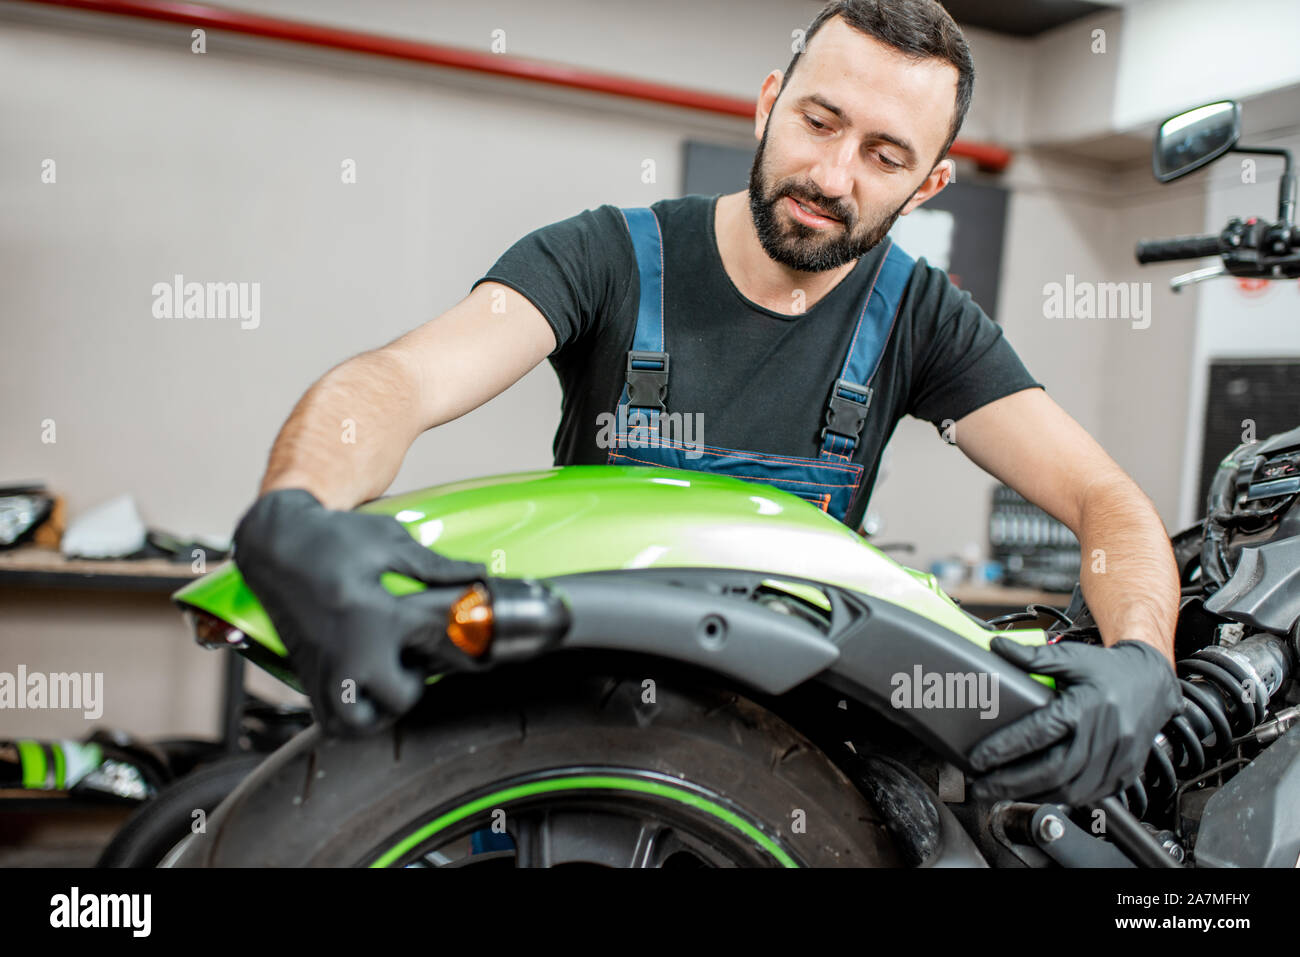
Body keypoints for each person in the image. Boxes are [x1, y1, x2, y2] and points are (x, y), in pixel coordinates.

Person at [232, 0, 1182, 808]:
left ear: (930, 184)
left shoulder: (921, 318)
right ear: (769, 103)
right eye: (819, 121)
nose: (834, 175)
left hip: (784, 768)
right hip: (570, 737)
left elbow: (1107, 500)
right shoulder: (606, 257)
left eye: (886, 155)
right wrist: (300, 510)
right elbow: (395, 381)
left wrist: (1143, 657)